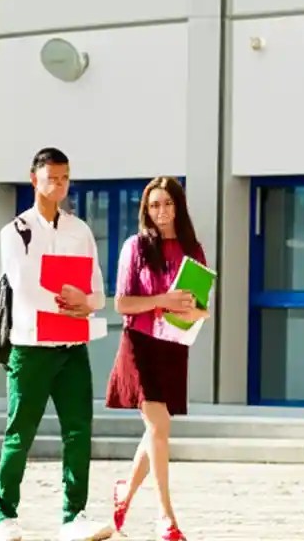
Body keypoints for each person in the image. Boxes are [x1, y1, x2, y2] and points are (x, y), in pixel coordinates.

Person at [0, 147, 114, 541]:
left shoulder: (79, 231)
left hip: (72, 348)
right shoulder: (14, 232)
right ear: (34, 180)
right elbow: (24, 289)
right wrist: (72, 302)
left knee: (78, 431)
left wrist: (87, 302)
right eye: (51, 178)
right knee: (19, 433)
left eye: (64, 178)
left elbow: (98, 291)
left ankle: (74, 515)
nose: (59, 185)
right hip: (30, 348)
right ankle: (4, 516)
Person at [104, 177, 209, 541]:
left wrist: (197, 312)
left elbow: (199, 307)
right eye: (154, 205)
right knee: (159, 427)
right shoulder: (134, 247)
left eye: (167, 203)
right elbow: (121, 304)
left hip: (173, 347)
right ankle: (165, 517)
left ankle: (125, 491)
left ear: (178, 206)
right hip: (140, 344)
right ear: (146, 210)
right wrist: (162, 300)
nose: (161, 211)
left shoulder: (193, 249)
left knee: (157, 429)